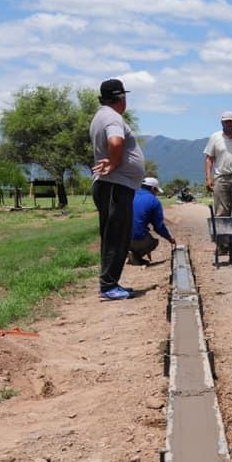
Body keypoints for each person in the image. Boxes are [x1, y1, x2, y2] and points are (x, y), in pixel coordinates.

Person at [89, 78, 145, 301]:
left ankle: (110, 282)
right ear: (121, 98)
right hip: (115, 185)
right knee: (117, 236)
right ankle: (108, 286)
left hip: (114, 185)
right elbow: (115, 142)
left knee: (114, 235)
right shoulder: (112, 117)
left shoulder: (101, 115)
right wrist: (113, 163)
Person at [204, 111, 232, 217]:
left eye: (231, 122)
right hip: (221, 178)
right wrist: (209, 178)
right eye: (226, 122)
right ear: (222, 123)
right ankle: (221, 228)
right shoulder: (215, 137)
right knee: (221, 212)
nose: (229, 124)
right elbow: (209, 159)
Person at [128, 177, 176, 265]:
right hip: (136, 238)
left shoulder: (129, 194)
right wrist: (169, 237)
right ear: (153, 188)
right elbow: (159, 227)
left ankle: (126, 251)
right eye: (156, 191)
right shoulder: (154, 201)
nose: (156, 194)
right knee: (153, 242)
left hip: (118, 238)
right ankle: (136, 255)